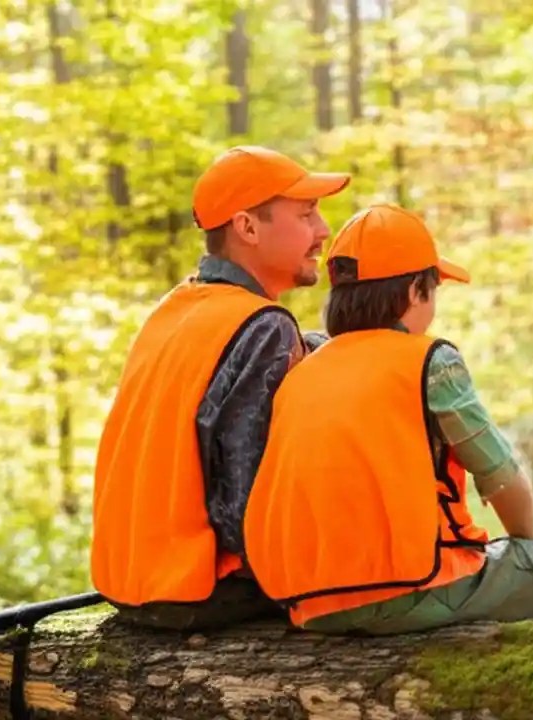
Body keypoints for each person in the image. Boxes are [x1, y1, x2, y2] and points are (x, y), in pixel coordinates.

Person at [243, 203, 533, 635]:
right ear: (415, 291)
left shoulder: (301, 372)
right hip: (414, 587)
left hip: (312, 605)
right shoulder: (430, 360)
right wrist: (528, 550)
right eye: (433, 289)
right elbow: (501, 477)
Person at [89, 146, 350, 631]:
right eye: (307, 214)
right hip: (205, 591)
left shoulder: (178, 307)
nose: (322, 231)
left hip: (133, 586)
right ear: (247, 228)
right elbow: (244, 500)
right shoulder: (263, 325)